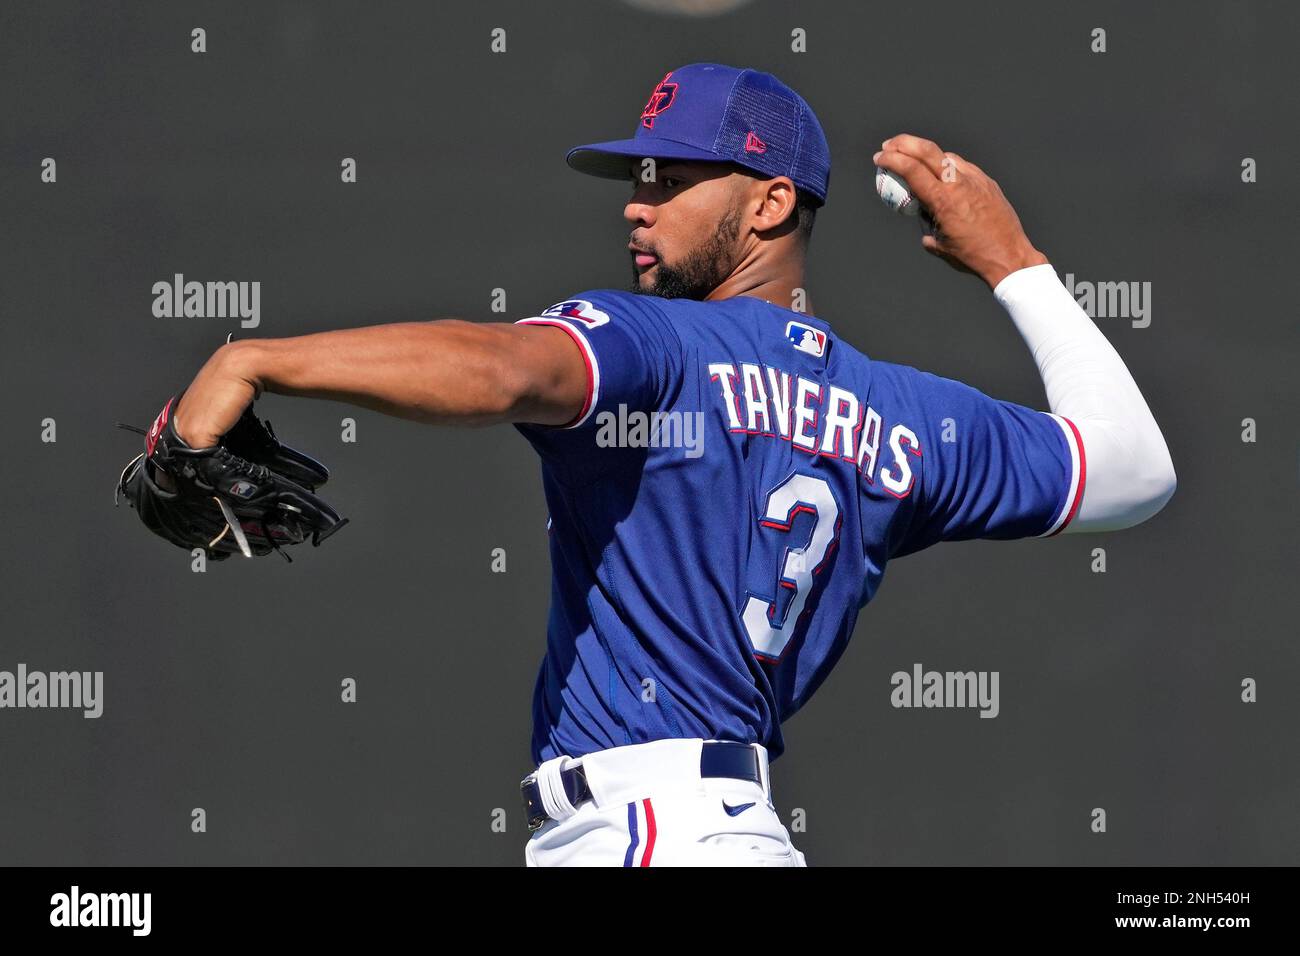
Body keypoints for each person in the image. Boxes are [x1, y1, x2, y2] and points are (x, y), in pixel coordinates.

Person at [169, 63, 1176, 866]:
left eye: (672, 179)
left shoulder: (657, 344)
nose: (635, 205)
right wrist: (1014, 263)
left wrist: (256, 357)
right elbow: (1132, 469)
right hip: (717, 823)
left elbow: (506, 367)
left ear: (771, 203)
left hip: (649, 832)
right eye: (636, 178)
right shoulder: (905, 414)